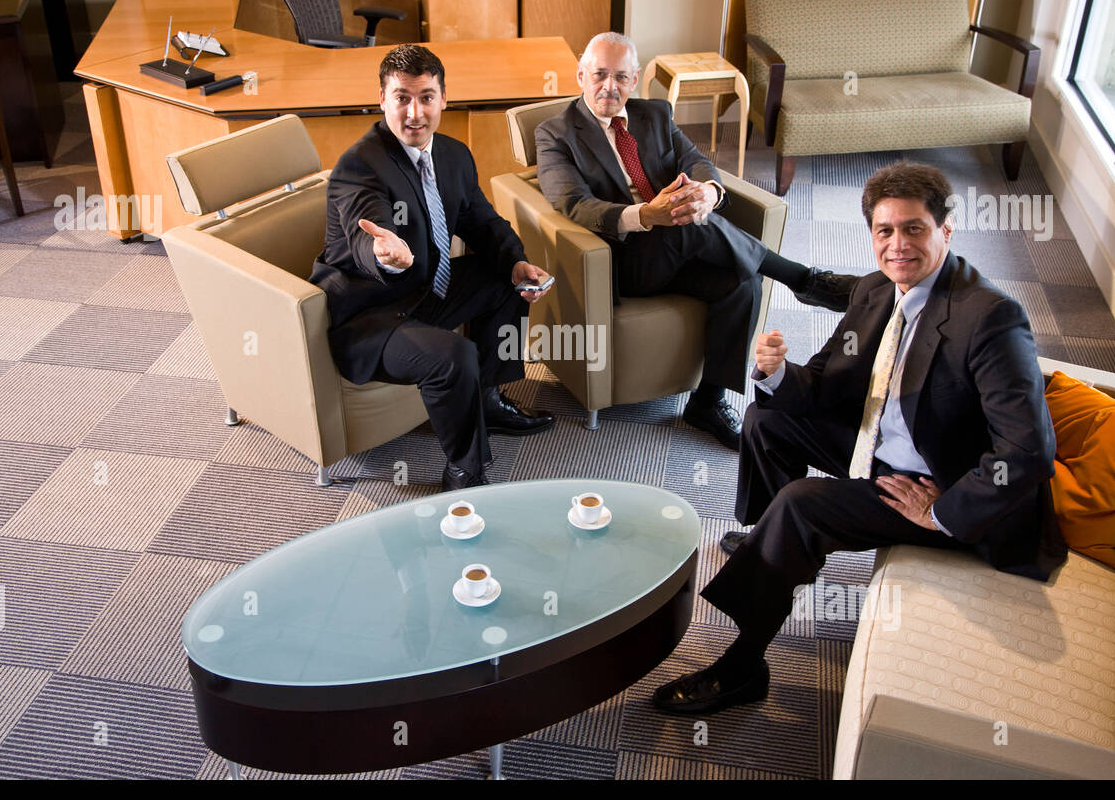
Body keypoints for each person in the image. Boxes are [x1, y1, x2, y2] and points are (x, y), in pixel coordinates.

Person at [652, 161, 1068, 715]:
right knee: (765, 419)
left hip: (942, 489)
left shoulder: (990, 318)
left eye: (914, 229)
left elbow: (1028, 450)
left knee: (803, 506)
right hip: (884, 443)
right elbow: (827, 382)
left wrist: (943, 510)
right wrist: (775, 373)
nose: (898, 245)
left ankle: (744, 664)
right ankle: (764, 541)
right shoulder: (878, 291)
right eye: (884, 231)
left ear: (947, 230)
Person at [533, 32, 857, 449]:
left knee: (743, 282)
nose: (609, 87)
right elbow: (573, 203)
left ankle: (708, 402)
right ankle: (805, 280)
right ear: (580, 75)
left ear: (634, 81)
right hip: (620, 261)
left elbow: (697, 162)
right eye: (599, 74)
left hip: (681, 248)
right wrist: (646, 215)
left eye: (621, 77)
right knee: (684, 223)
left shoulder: (654, 115)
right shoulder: (556, 133)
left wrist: (709, 192)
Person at [311, 44, 554, 491]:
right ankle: (465, 470)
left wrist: (517, 262)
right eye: (401, 97)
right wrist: (386, 252)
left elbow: (480, 220)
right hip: (372, 316)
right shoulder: (359, 166)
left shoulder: (454, 156)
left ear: (444, 99)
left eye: (426, 97)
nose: (414, 113)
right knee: (453, 356)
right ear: (382, 99)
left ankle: (488, 401)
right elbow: (367, 229)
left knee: (505, 280)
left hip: (427, 293)